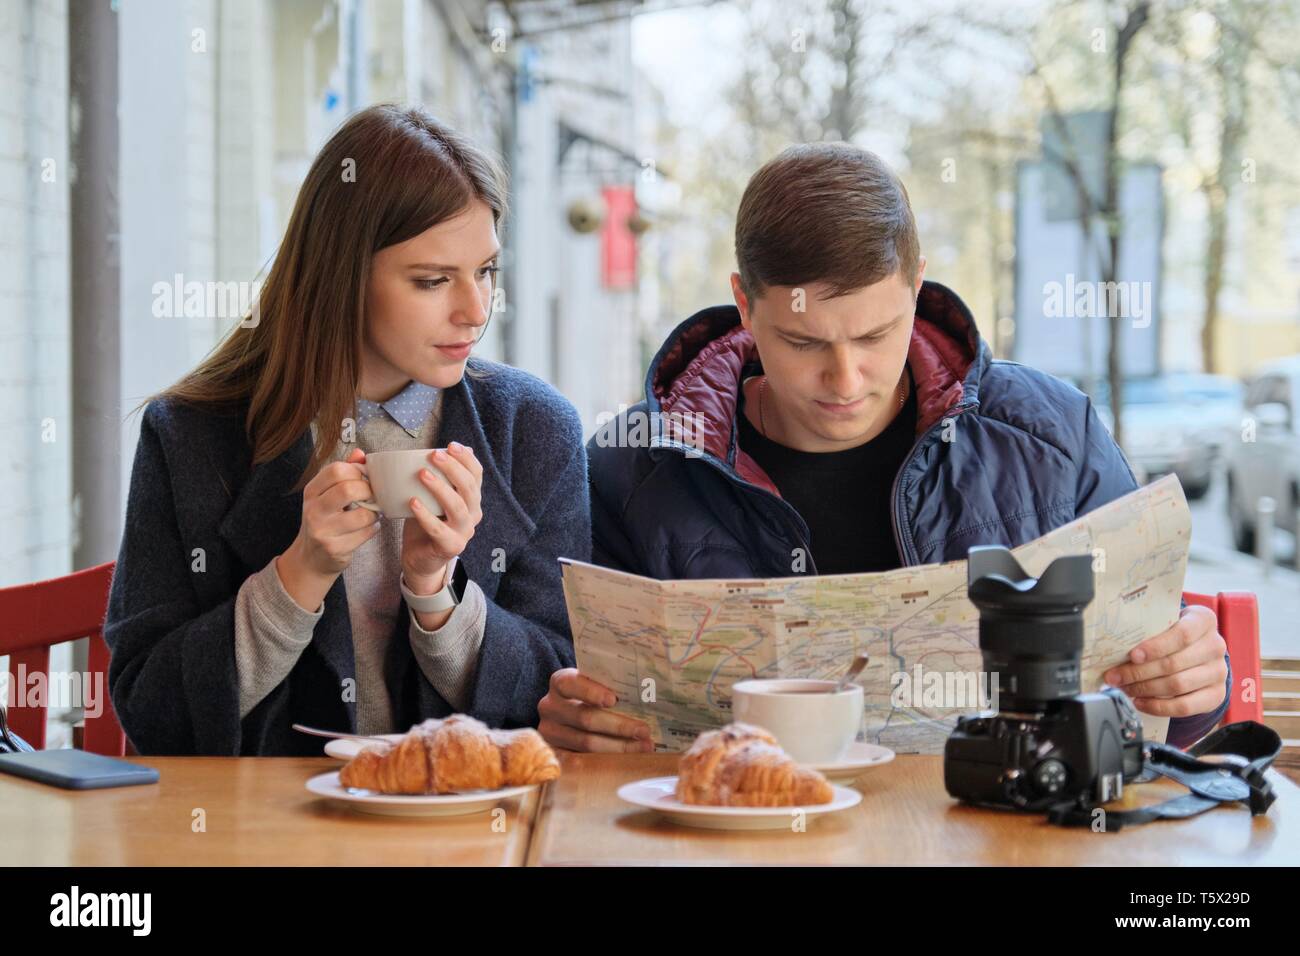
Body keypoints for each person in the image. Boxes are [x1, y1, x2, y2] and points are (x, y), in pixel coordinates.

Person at [539, 142, 1229, 753]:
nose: (844, 380)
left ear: (917, 286)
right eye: (804, 343)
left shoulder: (1055, 437)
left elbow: (1160, 702)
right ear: (744, 306)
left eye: (874, 336)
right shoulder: (631, 469)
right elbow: (568, 691)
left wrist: (1192, 687)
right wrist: (566, 716)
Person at [105, 106, 589, 755]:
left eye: (486, 271)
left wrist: (434, 592)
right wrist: (298, 574)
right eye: (432, 280)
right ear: (342, 277)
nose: (476, 310)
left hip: (468, 827)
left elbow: (560, 698)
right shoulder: (192, 436)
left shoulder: (534, 430)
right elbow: (151, 711)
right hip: (263, 835)